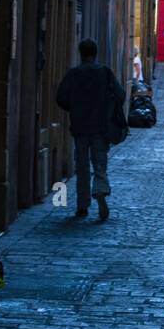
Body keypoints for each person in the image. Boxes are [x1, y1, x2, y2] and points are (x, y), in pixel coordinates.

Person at [56, 38, 125, 221]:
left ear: (81, 53)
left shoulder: (74, 73)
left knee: (82, 167)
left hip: (79, 127)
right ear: (95, 54)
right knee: (99, 164)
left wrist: (75, 108)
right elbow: (121, 94)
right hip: (100, 128)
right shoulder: (104, 72)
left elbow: (61, 97)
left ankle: (82, 205)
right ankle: (100, 191)